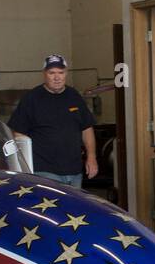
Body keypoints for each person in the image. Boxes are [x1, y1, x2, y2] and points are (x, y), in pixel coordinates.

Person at [8, 55, 97, 187]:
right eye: (52, 73)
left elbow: (87, 128)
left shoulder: (74, 96)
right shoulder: (31, 99)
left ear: (66, 73)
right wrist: (24, 167)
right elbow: (18, 133)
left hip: (74, 170)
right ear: (44, 74)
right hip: (44, 170)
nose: (57, 77)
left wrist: (91, 157)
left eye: (60, 72)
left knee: (73, 201)